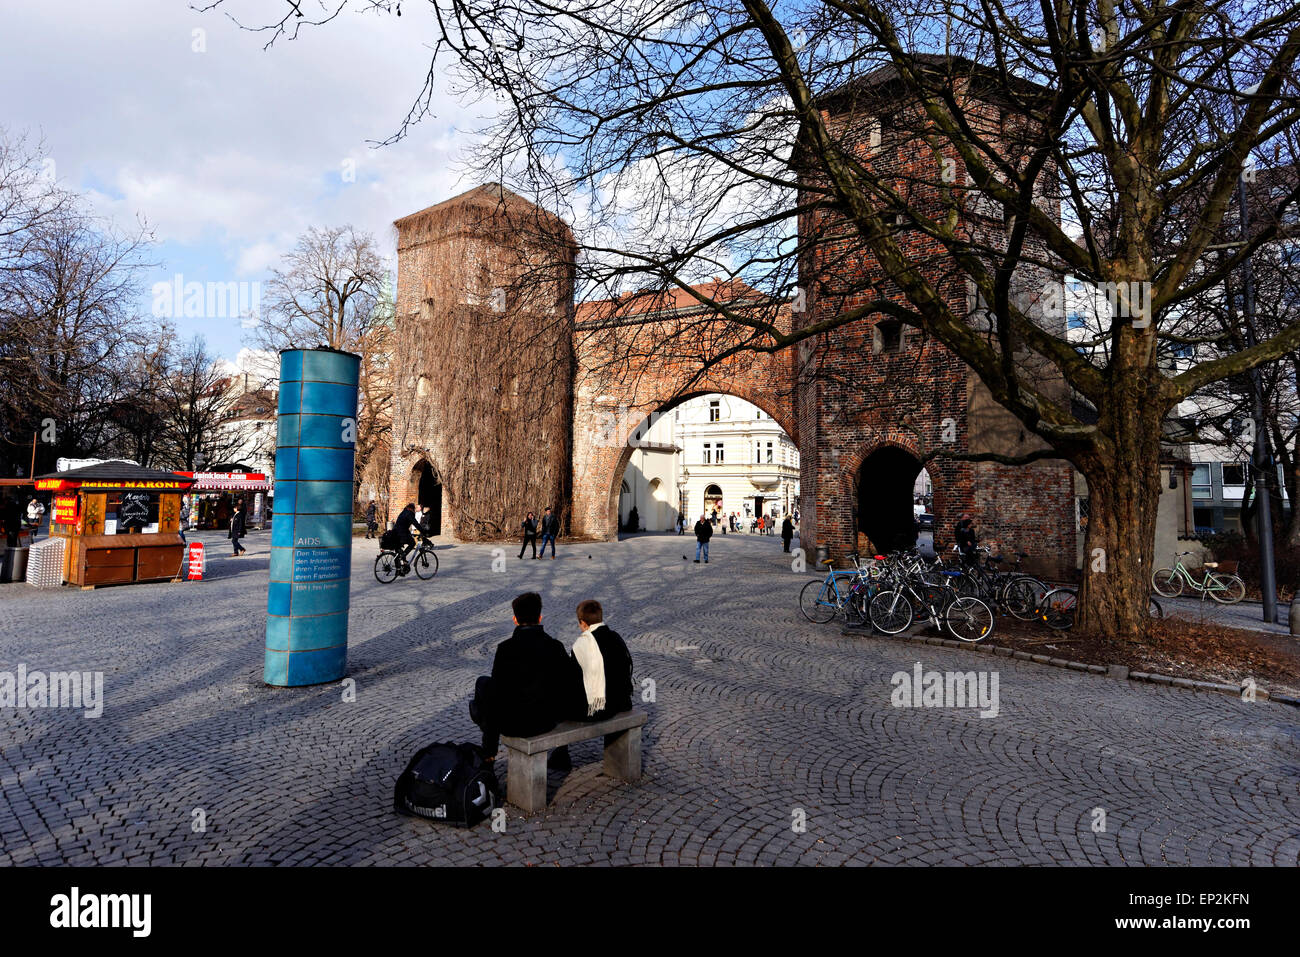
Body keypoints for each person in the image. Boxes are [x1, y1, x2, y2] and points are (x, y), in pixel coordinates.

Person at [469, 592, 576, 766]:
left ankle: (489, 754)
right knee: (486, 688)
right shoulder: (555, 646)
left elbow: (497, 695)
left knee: (483, 687)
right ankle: (562, 752)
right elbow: (567, 683)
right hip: (546, 719)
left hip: (515, 723)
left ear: (515, 620)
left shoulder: (506, 649)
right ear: (540, 617)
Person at [566, 599, 634, 726]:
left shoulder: (582, 644)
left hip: (598, 710)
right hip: (619, 702)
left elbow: (572, 679)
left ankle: (562, 746)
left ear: (583, 623)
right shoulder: (616, 637)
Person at [392, 502, 419, 569]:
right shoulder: (409, 514)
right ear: (412, 509)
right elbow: (416, 524)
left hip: (395, 533)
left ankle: (399, 570)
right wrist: (424, 531)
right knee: (412, 543)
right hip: (400, 534)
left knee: (398, 553)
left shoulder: (404, 512)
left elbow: (403, 525)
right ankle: (403, 557)